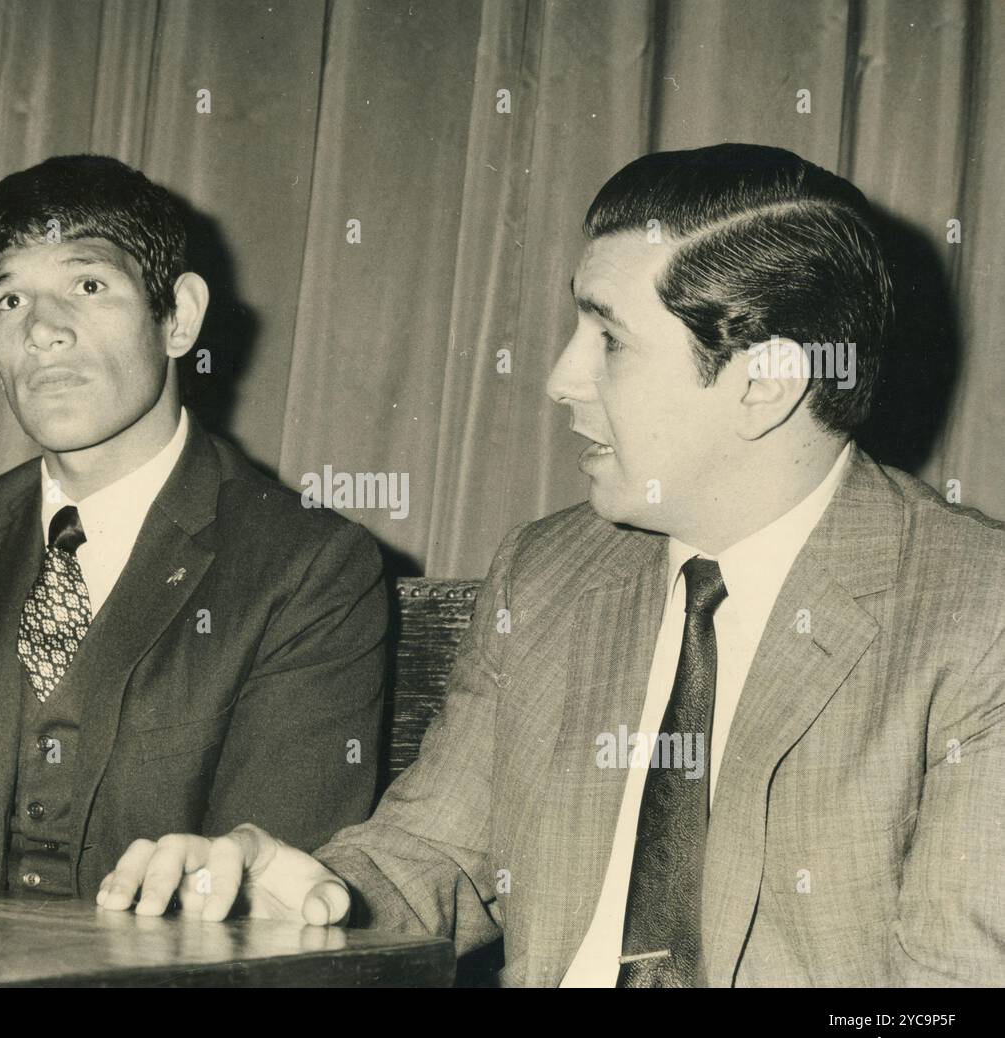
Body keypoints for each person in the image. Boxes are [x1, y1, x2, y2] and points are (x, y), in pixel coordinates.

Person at [101, 144, 1005, 986]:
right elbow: (438, 857)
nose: (561, 378)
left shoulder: (977, 610)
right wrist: (295, 889)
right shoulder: (550, 571)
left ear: (763, 384)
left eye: (608, 339)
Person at [0, 155, 387, 898]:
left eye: (87, 285)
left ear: (179, 316)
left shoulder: (307, 565)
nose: (44, 330)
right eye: (10, 299)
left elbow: (261, 893)